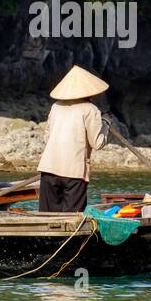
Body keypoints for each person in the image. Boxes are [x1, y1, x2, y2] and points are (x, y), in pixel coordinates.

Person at [37, 66, 108, 213]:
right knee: (72, 218)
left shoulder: (56, 106)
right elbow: (97, 142)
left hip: (49, 168)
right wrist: (106, 125)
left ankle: (47, 237)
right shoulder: (91, 109)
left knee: (47, 215)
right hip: (74, 171)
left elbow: (47, 136)